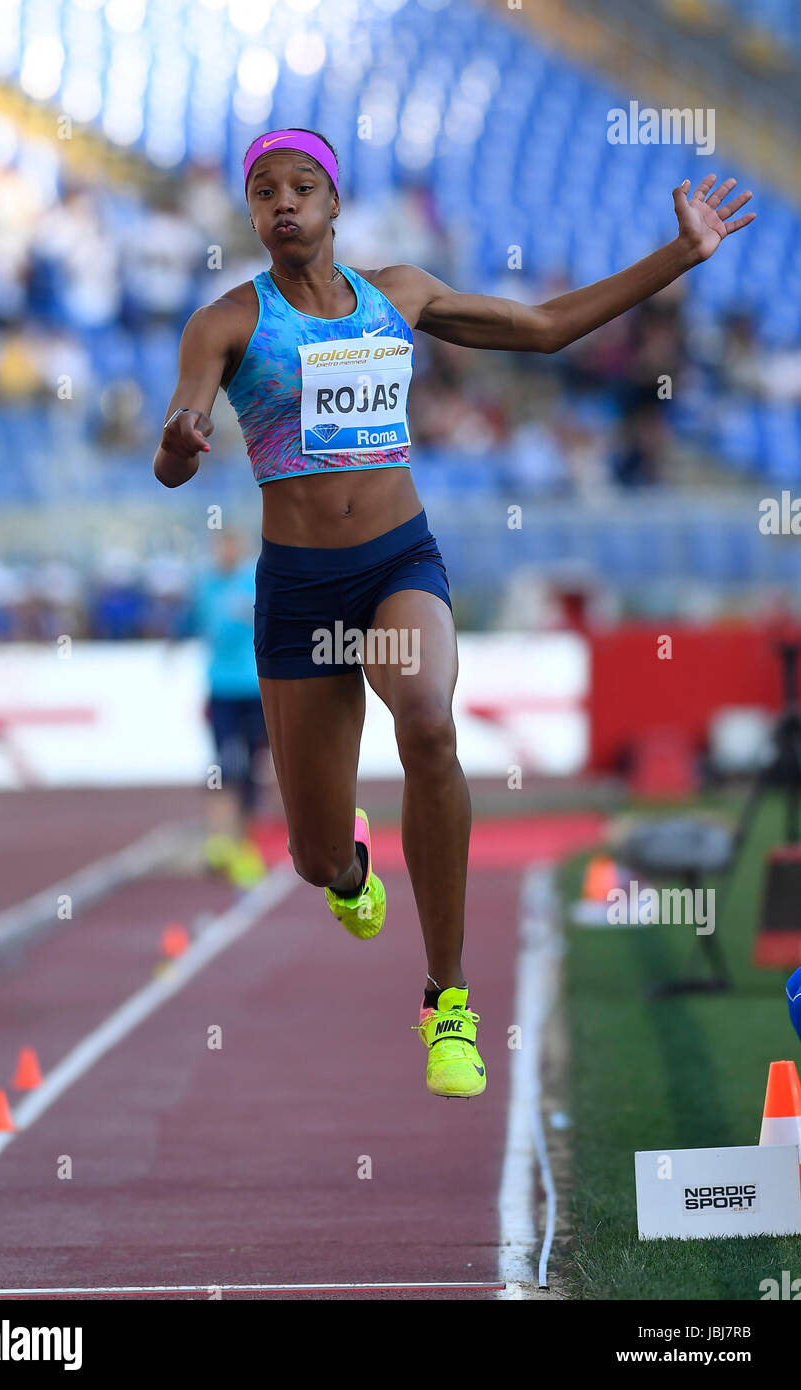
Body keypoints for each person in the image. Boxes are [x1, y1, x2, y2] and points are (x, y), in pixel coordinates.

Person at [153, 126, 754, 1098]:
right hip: (302, 594)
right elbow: (171, 453)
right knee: (311, 859)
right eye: (264, 191)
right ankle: (349, 869)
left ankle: (449, 999)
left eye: (303, 185)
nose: (285, 203)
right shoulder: (224, 324)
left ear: (336, 204)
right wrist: (182, 444)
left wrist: (678, 256)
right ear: (252, 215)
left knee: (428, 722)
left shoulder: (404, 295)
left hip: (396, 563)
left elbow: (548, 326)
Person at [195, 528, 269, 888]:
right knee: (225, 765)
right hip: (221, 691)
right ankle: (219, 840)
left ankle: (245, 844)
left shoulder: (253, 582)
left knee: (253, 770)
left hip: (254, 691)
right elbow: (199, 626)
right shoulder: (205, 586)